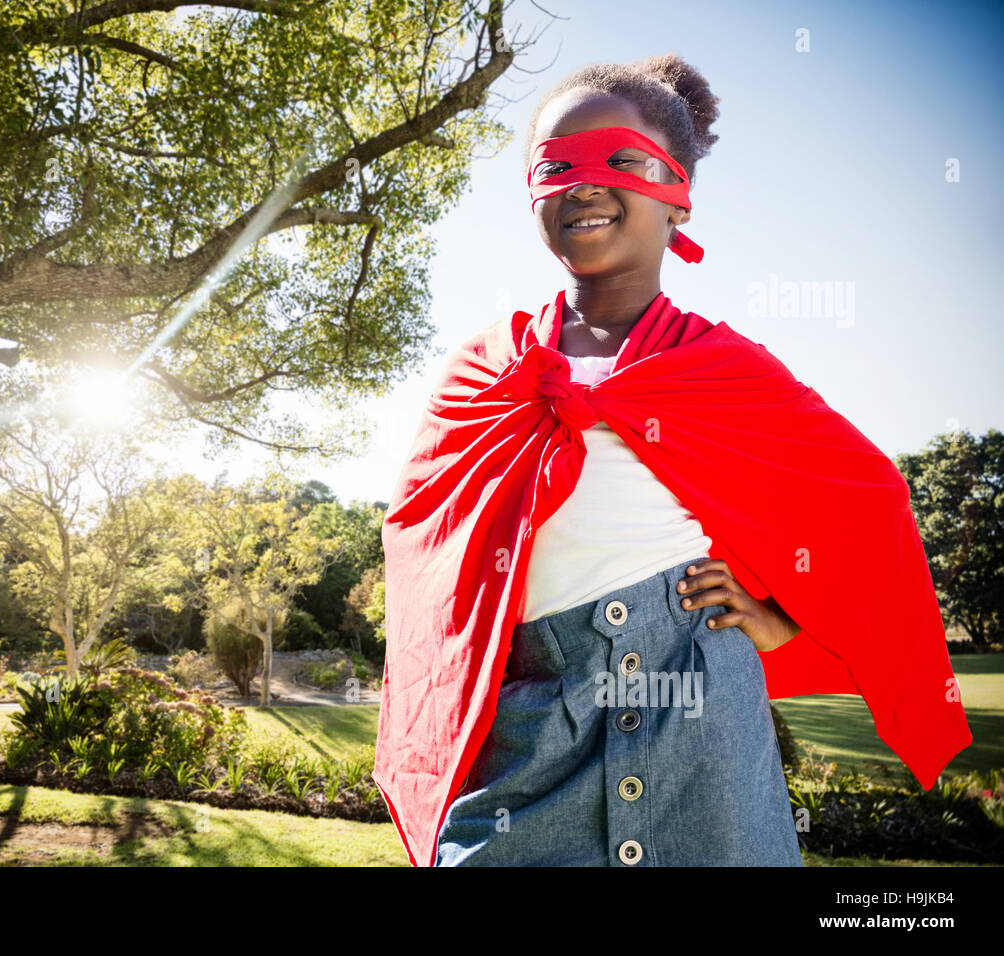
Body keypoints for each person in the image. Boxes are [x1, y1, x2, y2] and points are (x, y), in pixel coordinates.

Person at [372, 53, 971, 867]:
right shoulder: (483, 370)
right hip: (533, 734)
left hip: (703, 728)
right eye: (556, 166)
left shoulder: (724, 368)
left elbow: (869, 497)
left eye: (621, 161)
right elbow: (420, 535)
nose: (584, 184)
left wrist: (777, 619)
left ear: (677, 196)